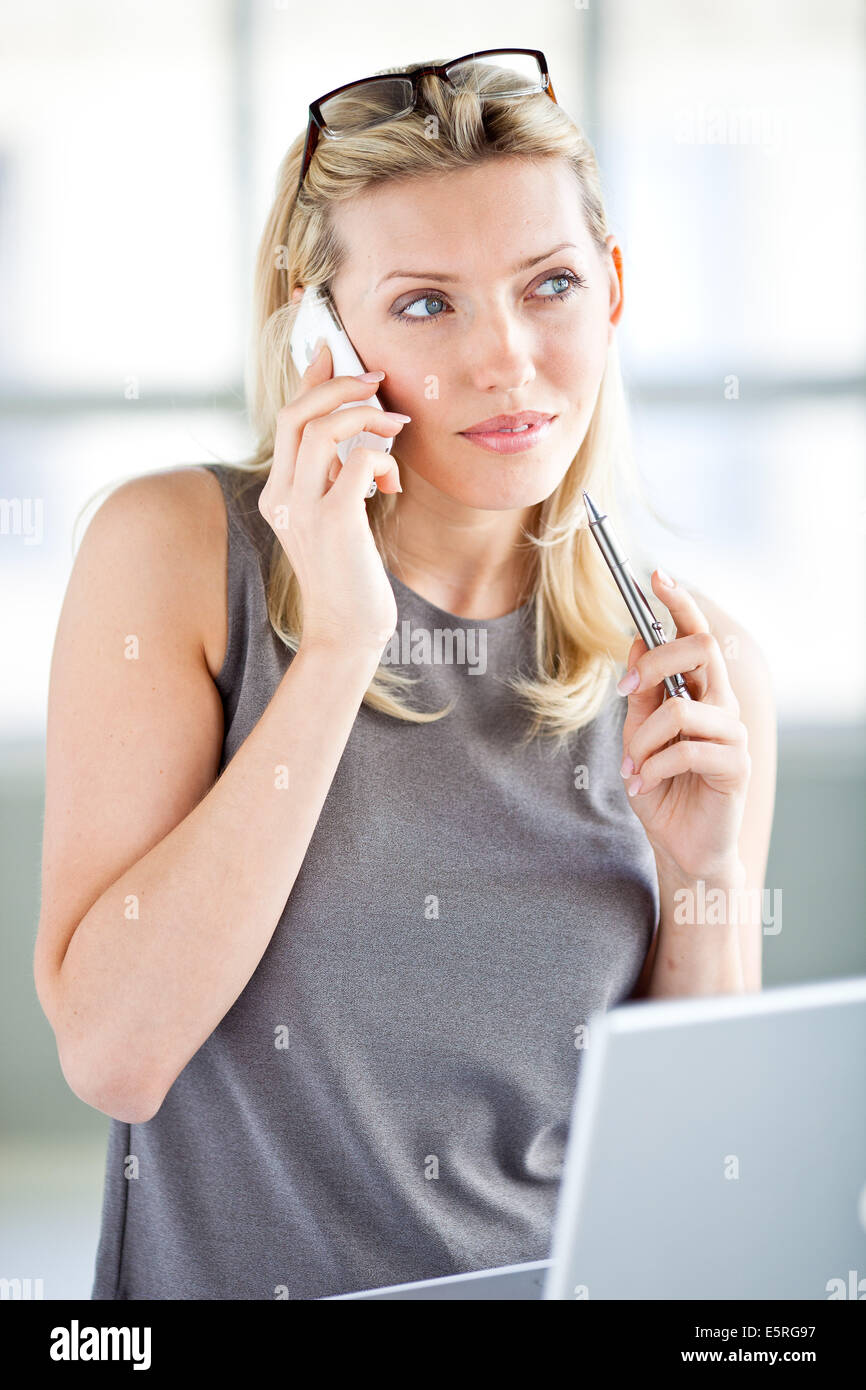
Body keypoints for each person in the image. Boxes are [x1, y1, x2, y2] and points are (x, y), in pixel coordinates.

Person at [33, 53, 776, 1300]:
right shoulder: (171, 555)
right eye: (426, 304)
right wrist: (333, 647)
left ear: (612, 290)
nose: (506, 361)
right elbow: (116, 1056)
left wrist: (700, 873)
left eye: (548, 284)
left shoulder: (690, 670)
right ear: (320, 331)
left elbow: (705, 1186)